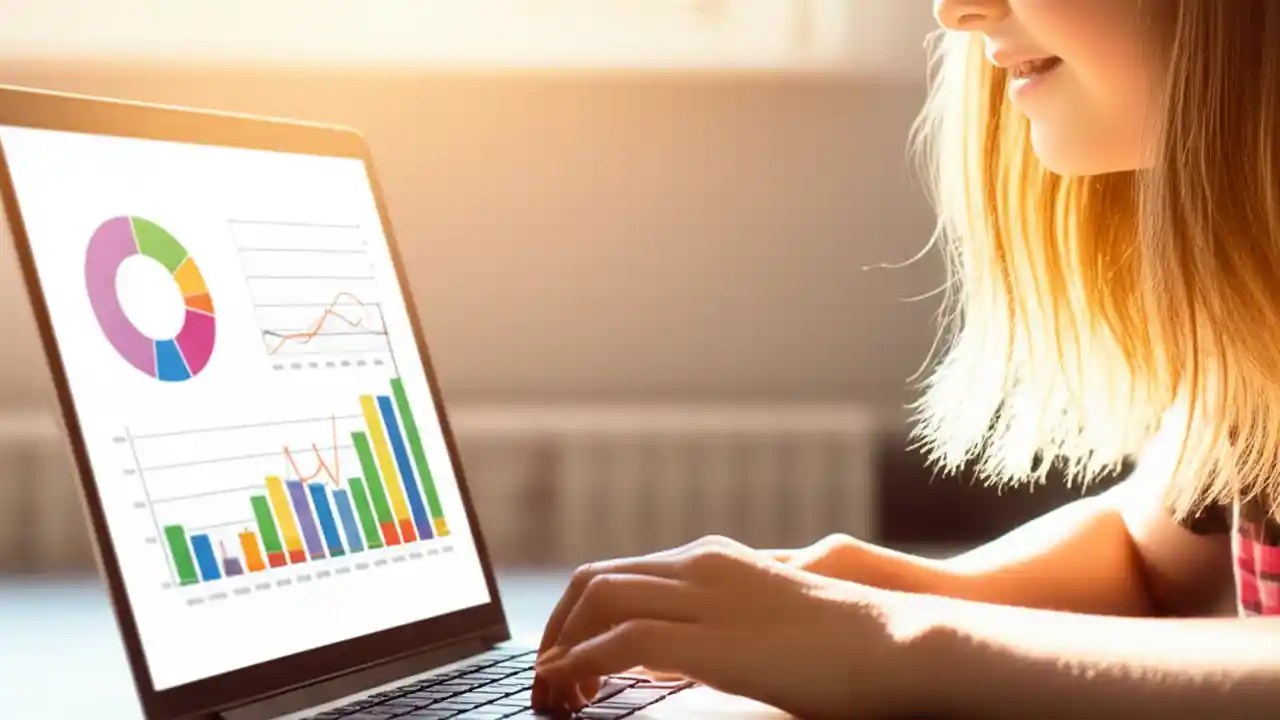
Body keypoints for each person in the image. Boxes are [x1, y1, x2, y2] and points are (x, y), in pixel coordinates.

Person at [531, 1, 1280, 716]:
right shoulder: (1252, 329)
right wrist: (876, 591)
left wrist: (890, 643)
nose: (956, 10)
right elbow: (1154, 565)